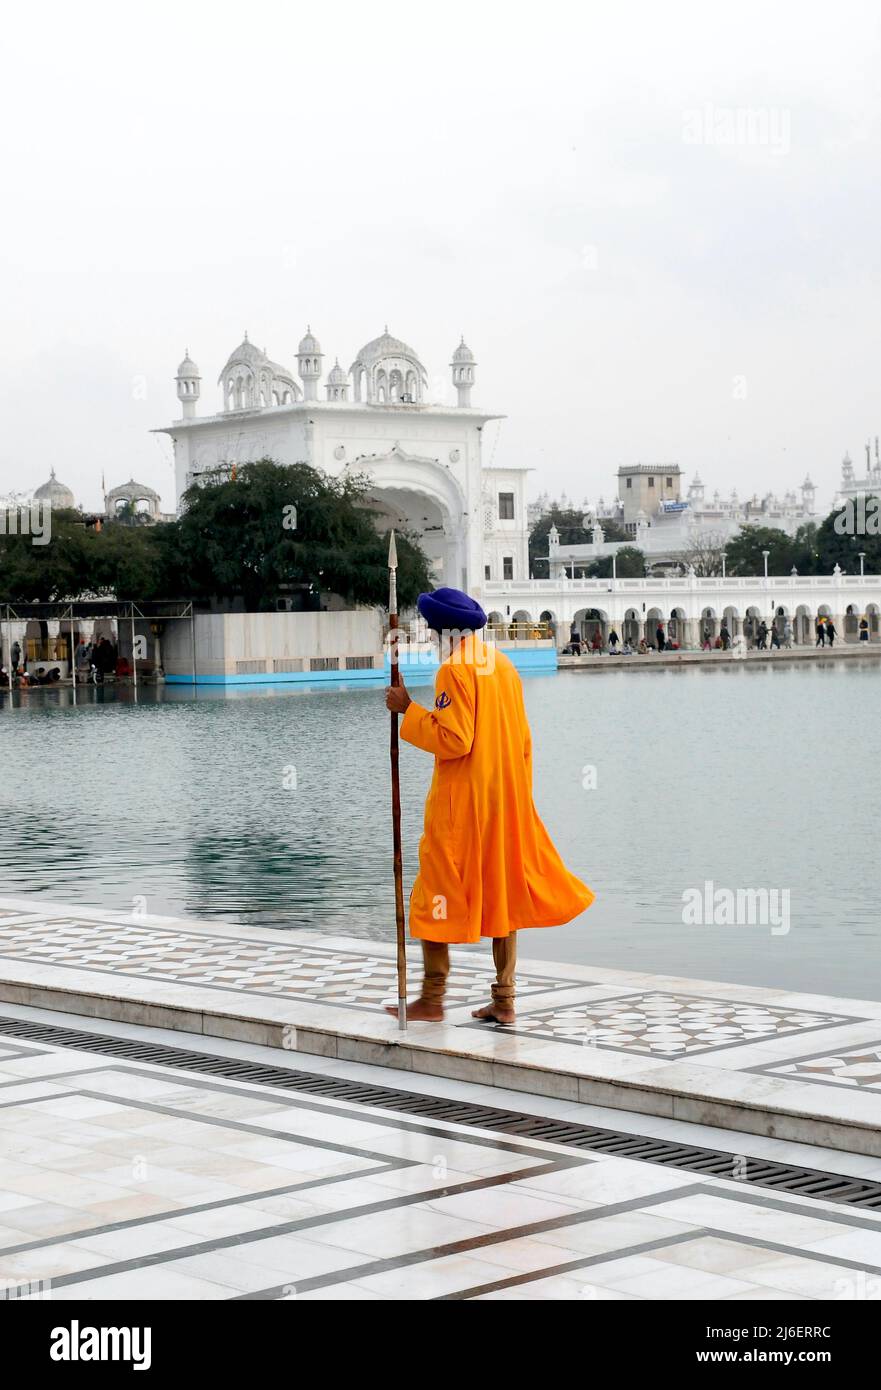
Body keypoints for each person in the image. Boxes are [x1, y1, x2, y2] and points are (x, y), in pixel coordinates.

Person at [384, 586, 594, 1024]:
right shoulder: (500, 665)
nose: (428, 633)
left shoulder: (455, 669)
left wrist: (409, 710)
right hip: (504, 802)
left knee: (432, 896)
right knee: (503, 898)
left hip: (464, 808)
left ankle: (434, 998)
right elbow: (522, 740)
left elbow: (455, 739)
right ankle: (504, 999)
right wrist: (517, 794)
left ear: (444, 630)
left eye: (430, 627)